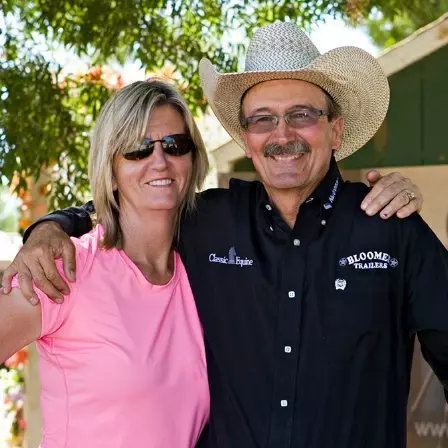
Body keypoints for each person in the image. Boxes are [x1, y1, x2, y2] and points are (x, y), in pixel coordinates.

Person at [3, 22, 446, 448]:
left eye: (302, 115)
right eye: (263, 120)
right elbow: (129, 204)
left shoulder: (393, 229)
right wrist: (50, 226)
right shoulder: (208, 223)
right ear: (246, 138)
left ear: (336, 128)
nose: (283, 134)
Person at [0, 80, 210, 447]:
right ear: (110, 168)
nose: (159, 160)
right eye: (137, 150)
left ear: (192, 160)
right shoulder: (64, 269)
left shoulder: (203, 274)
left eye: (175, 145)